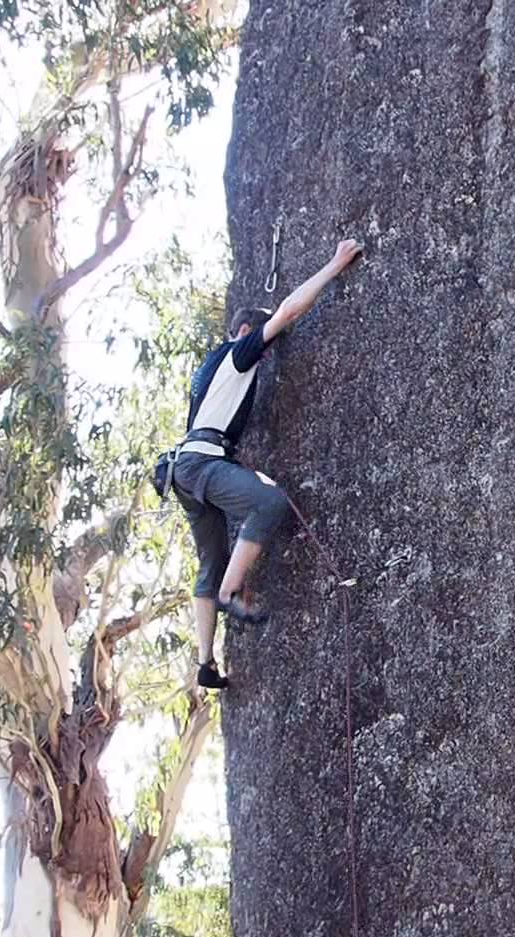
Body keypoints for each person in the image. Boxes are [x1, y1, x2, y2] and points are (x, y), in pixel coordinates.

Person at [163, 237, 363, 690]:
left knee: (208, 564)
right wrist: (333, 265)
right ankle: (233, 593)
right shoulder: (236, 356)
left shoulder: (208, 370)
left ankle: (205, 664)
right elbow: (288, 313)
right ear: (246, 333)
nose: (265, 354)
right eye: (263, 344)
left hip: (185, 470)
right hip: (199, 465)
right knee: (270, 503)